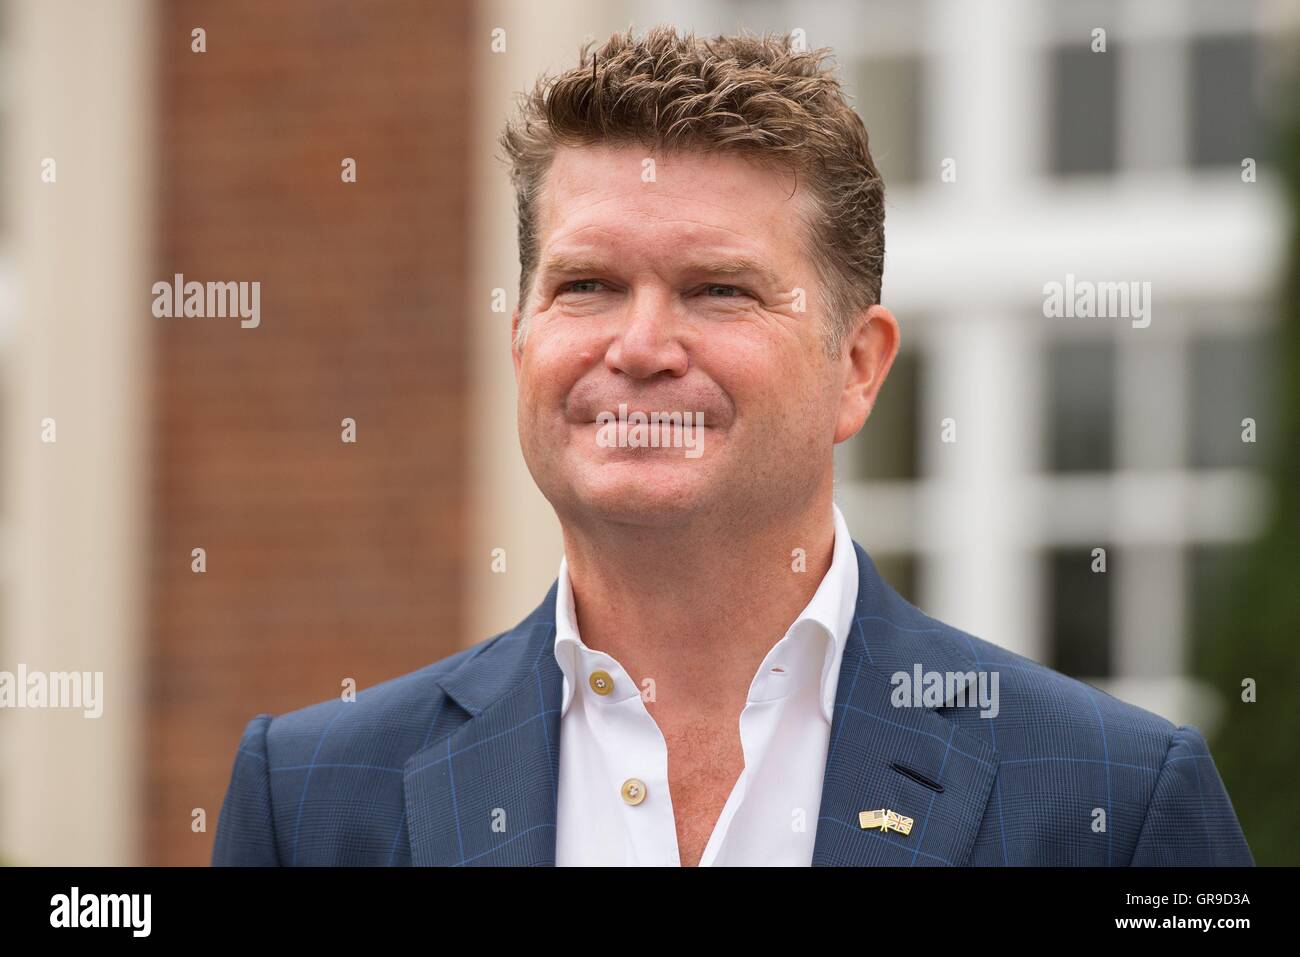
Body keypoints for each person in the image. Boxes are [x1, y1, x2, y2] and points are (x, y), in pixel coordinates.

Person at [212, 25, 1252, 867]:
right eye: (587, 285)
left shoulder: (1111, 800)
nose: (640, 345)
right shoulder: (312, 799)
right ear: (521, 336)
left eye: (718, 289)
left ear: (857, 366)